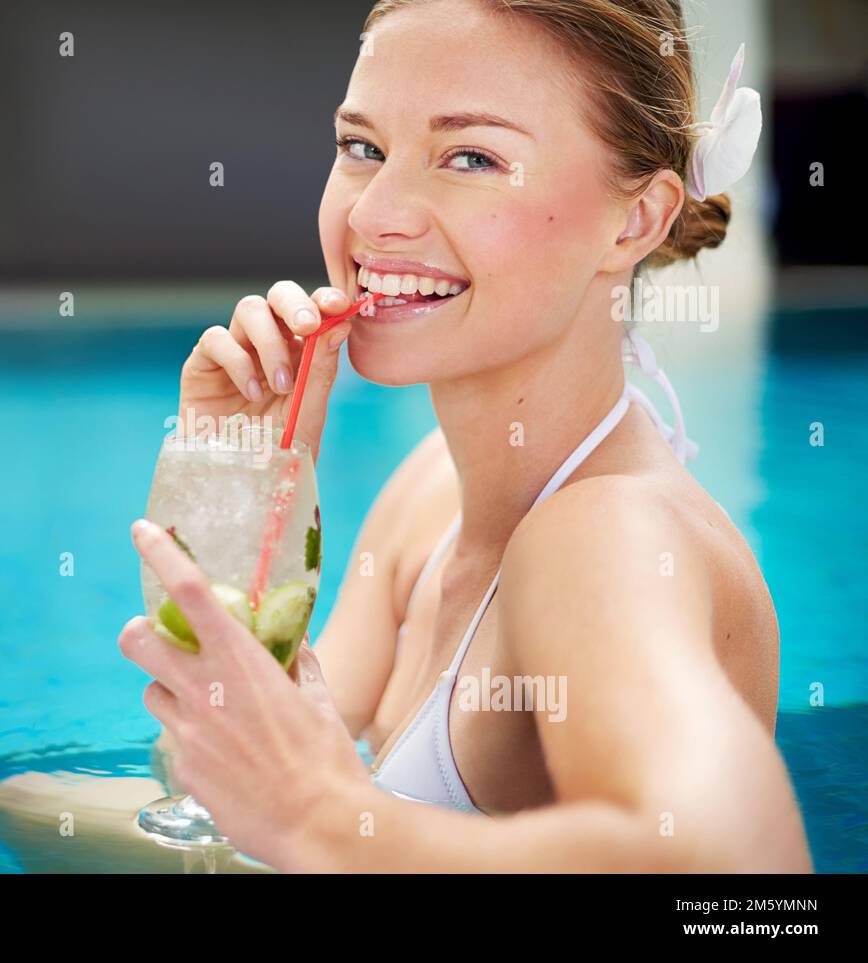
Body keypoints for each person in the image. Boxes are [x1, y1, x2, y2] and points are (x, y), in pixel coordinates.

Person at [119, 0, 812, 872]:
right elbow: (218, 780)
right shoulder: (431, 492)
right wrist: (243, 484)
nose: (375, 215)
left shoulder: (607, 537)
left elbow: (750, 876)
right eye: (362, 148)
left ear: (634, 221)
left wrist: (321, 818)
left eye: (473, 157)